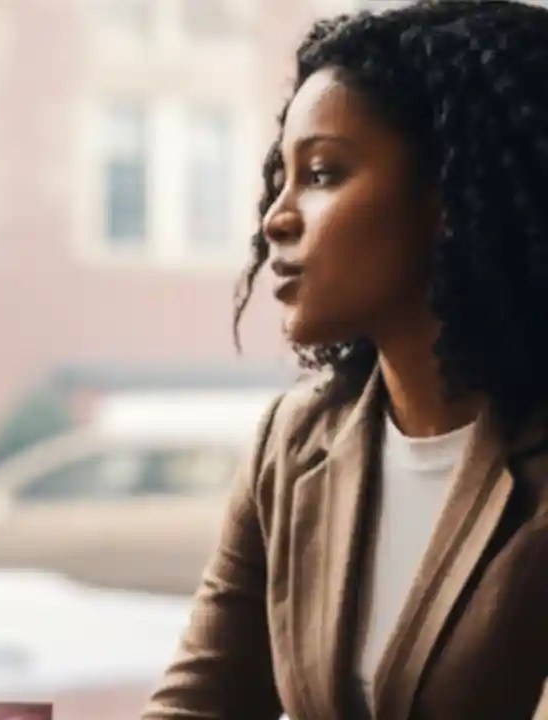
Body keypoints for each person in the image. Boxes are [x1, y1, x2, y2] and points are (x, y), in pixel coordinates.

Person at [144, 2, 548, 718]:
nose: (276, 216)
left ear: (453, 193)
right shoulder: (293, 445)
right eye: (283, 177)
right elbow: (195, 706)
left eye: (324, 173)